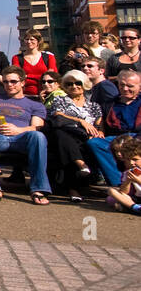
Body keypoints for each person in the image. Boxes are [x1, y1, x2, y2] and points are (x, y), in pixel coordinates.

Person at [0, 66, 50, 204]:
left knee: (38, 136)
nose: (9, 85)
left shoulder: (34, 104)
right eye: (5, 82)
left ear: (23, 82)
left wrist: (18, 130)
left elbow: (36, 126)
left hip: (21, 139)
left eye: (13, 81)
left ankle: (39, 188)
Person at [45, 68, 103, 201]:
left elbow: (99, 124)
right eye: (69, 84)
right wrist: (80, 121)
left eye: (78, 83)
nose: (74, 86)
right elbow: (57, 117)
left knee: (71, 145)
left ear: (85, 84)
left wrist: (99, 132)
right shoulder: (60, 100)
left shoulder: (93, 106)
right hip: (63, 134)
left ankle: (74, 186)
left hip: (84, 137)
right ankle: (80, 167)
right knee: (62, 136)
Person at [85, 68, 141, 190]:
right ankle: (118, 183)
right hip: (116, 137)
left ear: (140, 87)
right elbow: (100, 120)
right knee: (95, 143)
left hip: (138, 136)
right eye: (122, 85)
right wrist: (99, 130)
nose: (125, 88)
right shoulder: (109, 103)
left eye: (130, 86)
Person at [11, 29, 57, 97]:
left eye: (32, 39)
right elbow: (18, 78)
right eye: (27, 39)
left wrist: (28, 76)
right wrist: (41, 77)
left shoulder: (49, 57)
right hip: (26, 96)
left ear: (38, 41)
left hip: (47, 95)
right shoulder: (17, 58)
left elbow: (52, 77)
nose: (29, 42)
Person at [105, 136, 141, 214]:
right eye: (128, 159)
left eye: (135, 160)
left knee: (116, 202)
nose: (131, 163)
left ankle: (128, 207)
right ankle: (135, 207)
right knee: (111, 191)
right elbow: (124, 192)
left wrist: (137, 180)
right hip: (138, 198)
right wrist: (128, 181)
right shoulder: (129, 171)